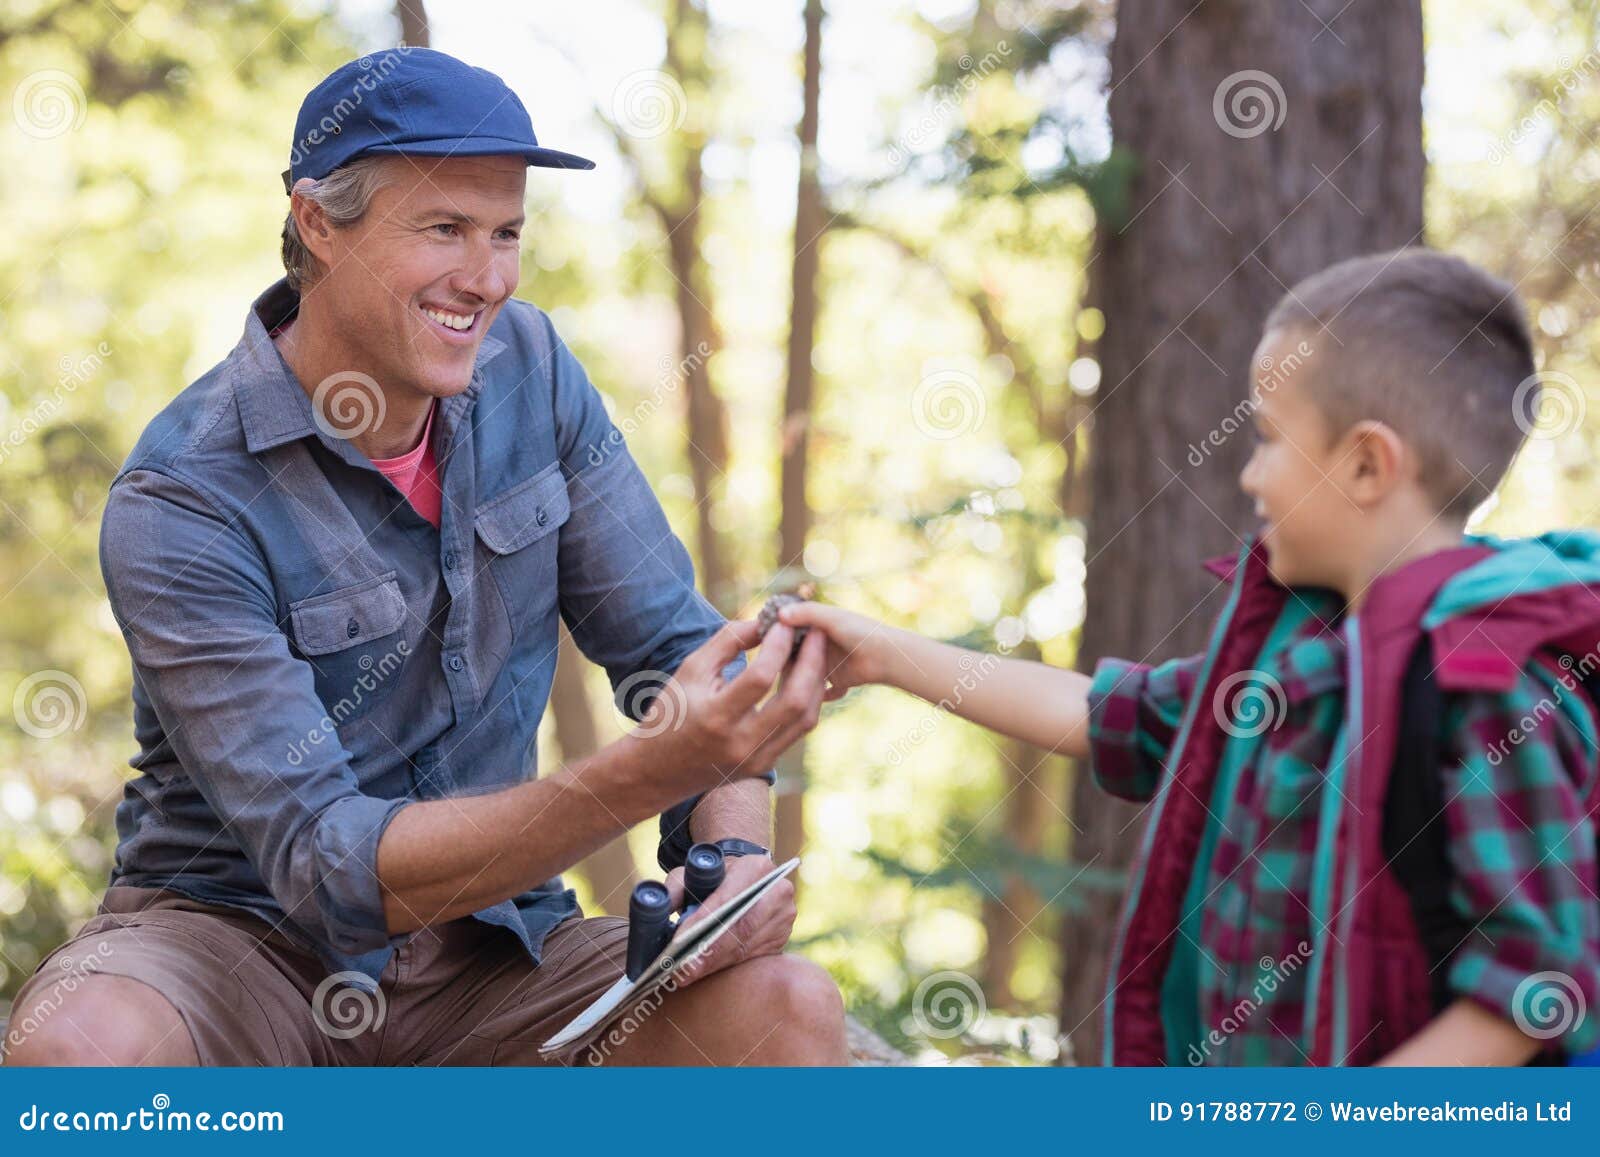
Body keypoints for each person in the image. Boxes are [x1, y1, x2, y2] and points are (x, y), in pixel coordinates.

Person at [4, 48, 845, 1068]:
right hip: (239, 948)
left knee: (783, 1008)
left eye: (505, 234)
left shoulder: (532, 373)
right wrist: (641, 772)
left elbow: (678, 651)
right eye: (444, 228)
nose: (485, 278)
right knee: (82, 1046)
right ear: (318, 224)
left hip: (496, 955)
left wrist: (735, 852)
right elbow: (328, 863)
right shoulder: (184, 494)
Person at [782, 248, 1600, 1066]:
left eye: (1269, 439)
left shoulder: (1485, 684)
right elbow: (1109, 714)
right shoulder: (1295, 656)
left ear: (1366, 463)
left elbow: (1532, 987)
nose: (1250, 474)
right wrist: (886, 654)